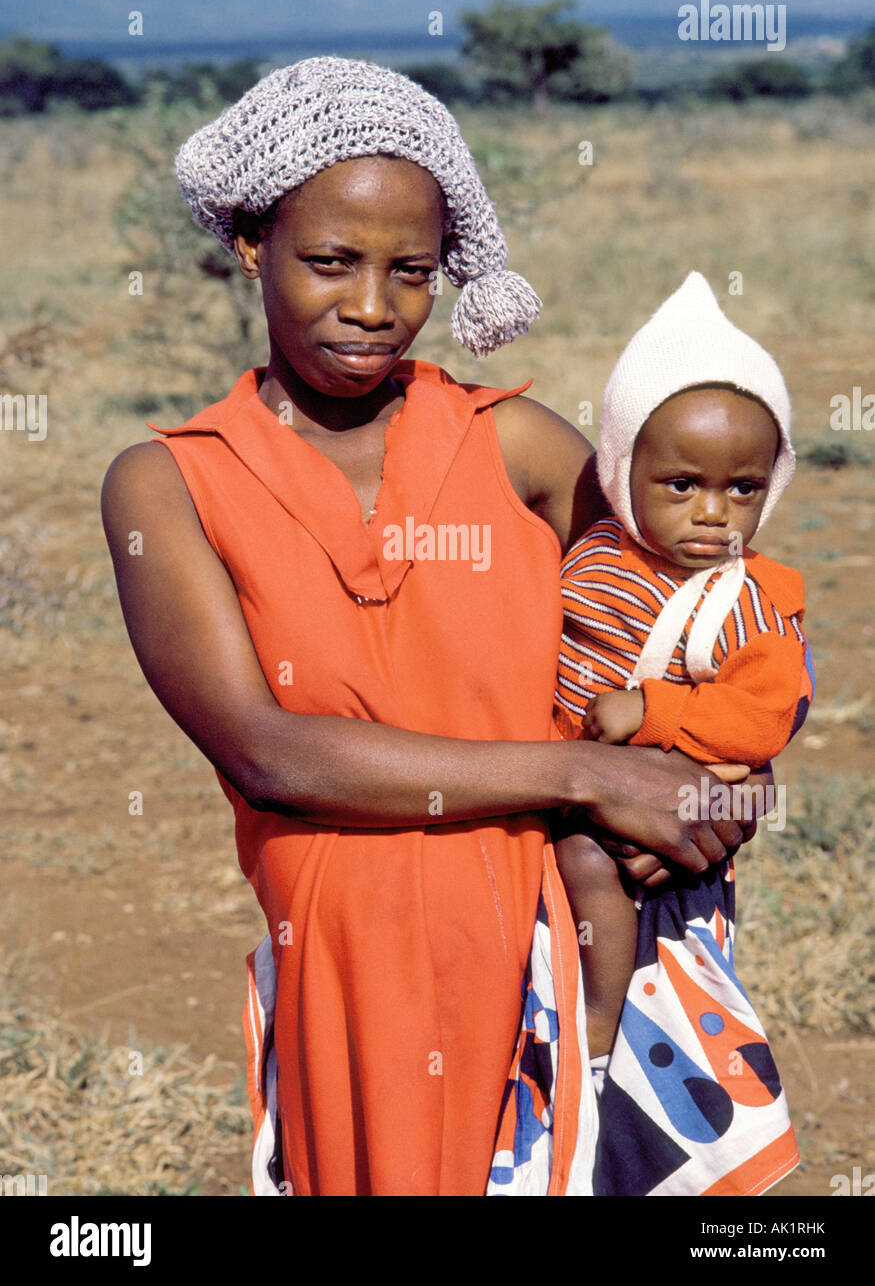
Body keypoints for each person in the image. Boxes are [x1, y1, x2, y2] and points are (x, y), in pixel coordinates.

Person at [101, 58, 774, 1197]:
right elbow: (270, 754)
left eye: (410, 272)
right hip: (354, 973)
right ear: (249, 243)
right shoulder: (170, 485)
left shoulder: (511, 448)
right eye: (329, 261)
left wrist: (715, 770)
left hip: (568, 930)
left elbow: (695, 615)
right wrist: (581, 773)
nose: (372, 307)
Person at [552, 273, 813, 1194]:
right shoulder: (589, 556)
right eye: (681, 484)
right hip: (560, 781)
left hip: (662, 822)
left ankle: (598, 1032)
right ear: (622, 471)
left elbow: (761, 716)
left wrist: (653, 713)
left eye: (743, 489)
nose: (713, 513)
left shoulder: (747, 600)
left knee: (593, 870)